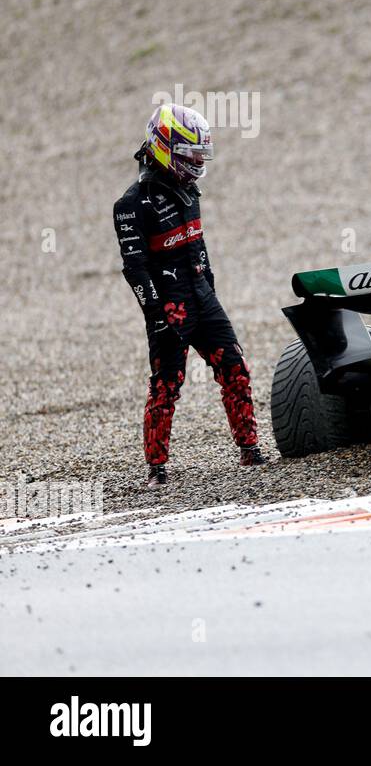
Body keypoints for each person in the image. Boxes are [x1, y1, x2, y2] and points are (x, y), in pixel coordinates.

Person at [113, 103, 264, 488]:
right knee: (167, 384)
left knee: (235, 369)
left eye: (200, 155)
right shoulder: (131, 204)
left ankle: (251, 451)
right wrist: (155, 313)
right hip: (170, 305)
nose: (196, 161)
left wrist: (210, 291)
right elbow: (135, 268)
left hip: (202, 294)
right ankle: (156, 470)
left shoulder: (189, 190)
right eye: (189, 154)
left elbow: (200, 248)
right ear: (164, 148)